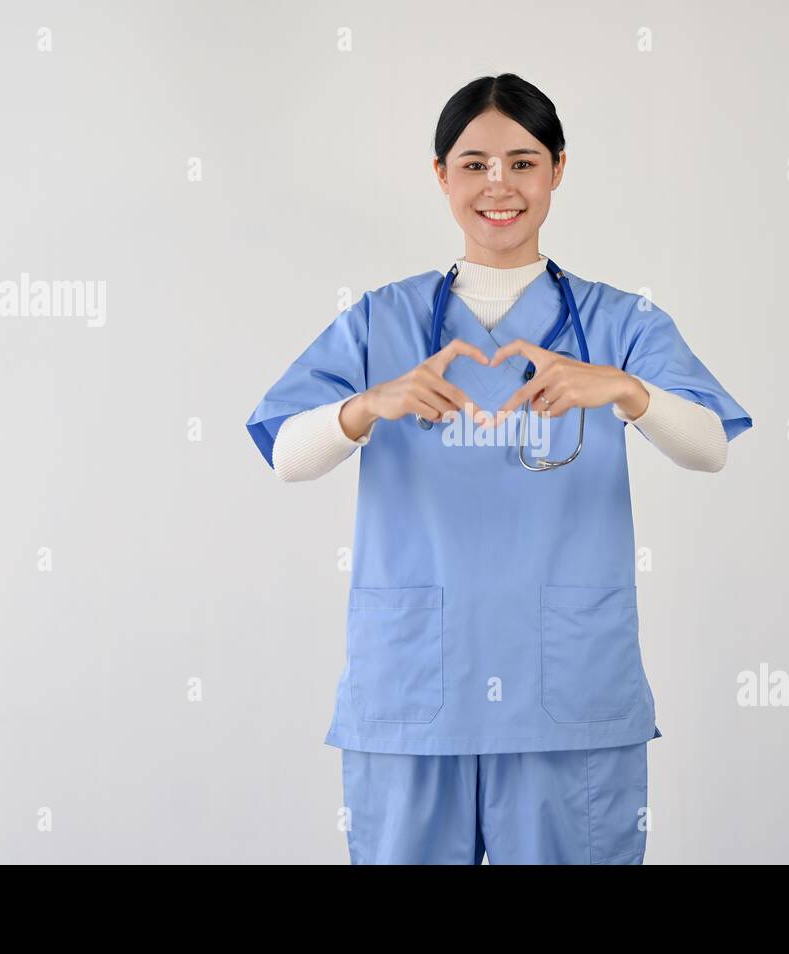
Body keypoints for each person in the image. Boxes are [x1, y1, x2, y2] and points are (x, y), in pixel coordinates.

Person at [246, 73, 752, 864]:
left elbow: (709, 446)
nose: (499, 186)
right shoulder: (384, 318)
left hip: (567, 698)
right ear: (441, 174)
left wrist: (624, 389)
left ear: (556, 169)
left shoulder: (618, 322)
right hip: (416, 693)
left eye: (522, 162)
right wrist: (369, 405)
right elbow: (286, 456)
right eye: (475, 162)